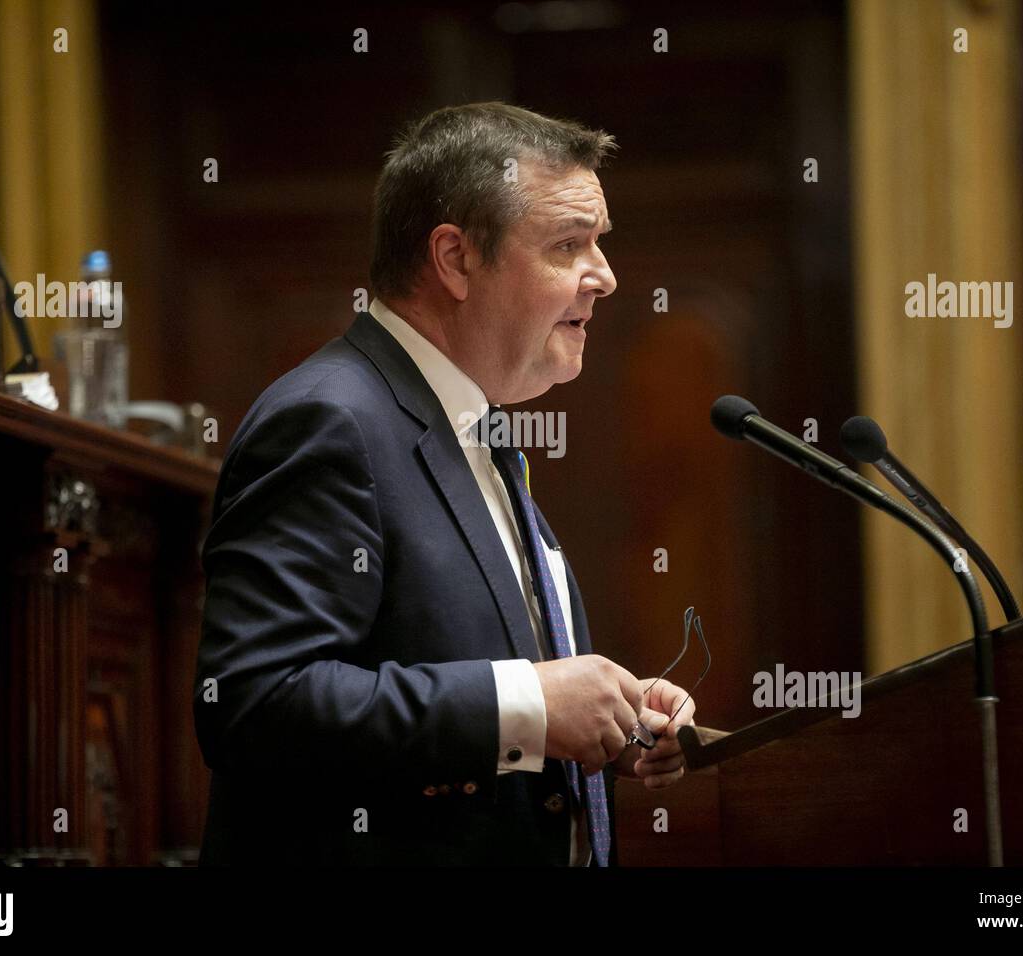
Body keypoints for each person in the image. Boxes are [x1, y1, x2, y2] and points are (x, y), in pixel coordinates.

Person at [193, 102, 696, 866]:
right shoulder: (332, 419)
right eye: (569, 245)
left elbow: (476, 683)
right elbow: (256, 704)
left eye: (599, 243)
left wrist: (609, 722)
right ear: (456, 259)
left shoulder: (473, 424)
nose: (606, 276)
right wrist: (529, 704)